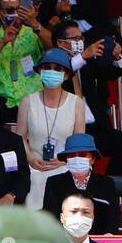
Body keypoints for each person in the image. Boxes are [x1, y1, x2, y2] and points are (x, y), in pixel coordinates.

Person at [53, 20, 122, 176]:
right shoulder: (52, 62)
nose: (79, 42)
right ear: (60, 42)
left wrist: (117, 57)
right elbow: (61, 75)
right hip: (67, 131)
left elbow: (109, 73)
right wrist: (84, 55)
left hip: (95, 128)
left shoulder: (86, 61)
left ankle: (110, 185)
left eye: (80, 38)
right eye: (74, 39)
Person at [17, 48, 85, 210]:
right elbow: (20, 137)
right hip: (34, 166)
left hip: (64, 165)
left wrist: (63, 160)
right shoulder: (27, 101)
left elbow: (79, 141)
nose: (51, 72)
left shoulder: (76, 103)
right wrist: (31, 159)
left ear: (66, 75)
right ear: (40, 71)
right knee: (29, 179)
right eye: (47, 68)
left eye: (58, 69)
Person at [0, 0, 51, 116]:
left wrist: (35, 24)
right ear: (0, 13)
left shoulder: (34, 33)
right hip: (1, 99)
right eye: (10, 10)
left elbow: (54, 48)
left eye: (19, 9)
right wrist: (3, 42)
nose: (15, 13)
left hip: (33, 98)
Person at [43, 132, 121, 233]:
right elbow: (50, 217)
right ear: (66, 160)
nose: (76, 158)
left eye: (82, 155)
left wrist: (108, 236)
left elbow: (114, 216)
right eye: (72, 155)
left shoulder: (107, 184)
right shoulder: (54, 183)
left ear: (92, 159)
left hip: (98, 242)